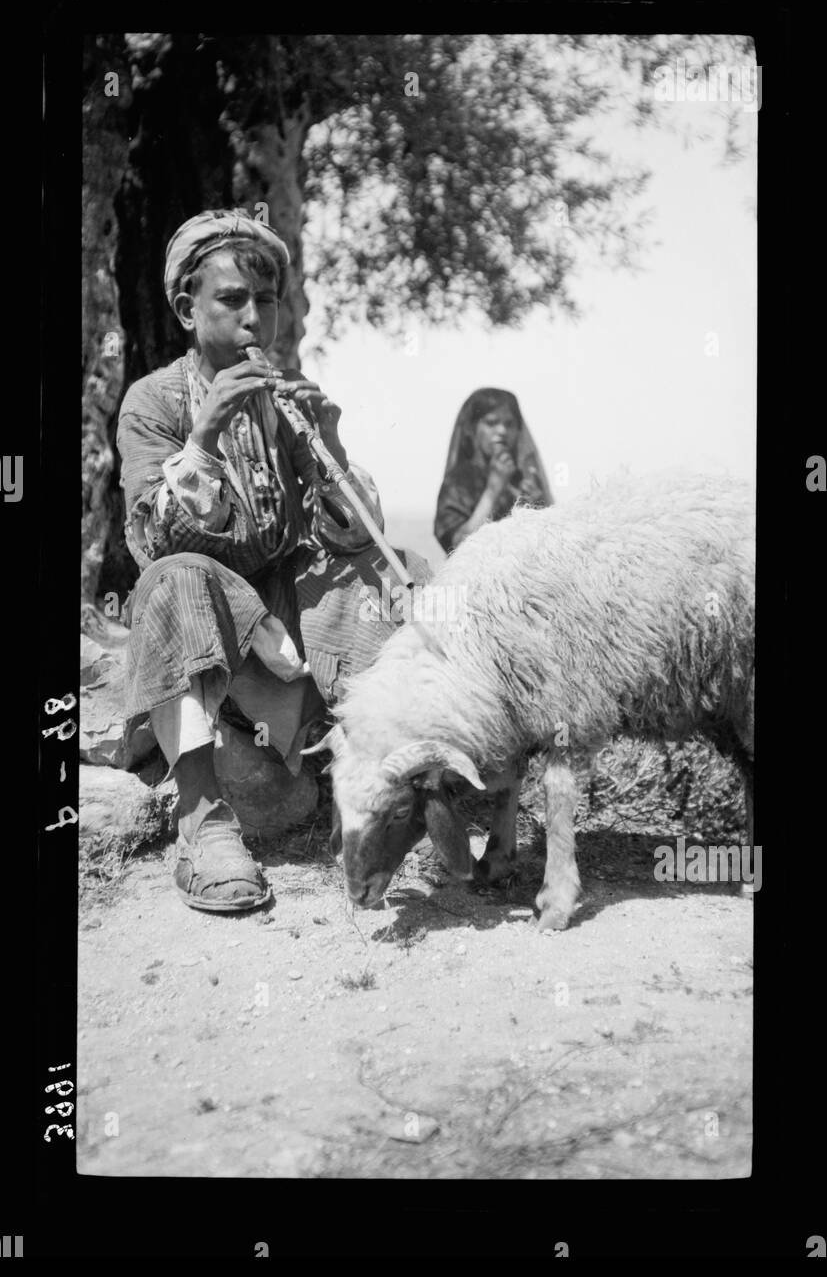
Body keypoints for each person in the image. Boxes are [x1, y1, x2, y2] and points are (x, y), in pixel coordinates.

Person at [117, 208, 427, 914]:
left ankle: (385, 791)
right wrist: (203, 435)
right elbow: (150, 543)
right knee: (175, 577)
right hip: (210, 634)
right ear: (186, 310)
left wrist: (329, 451)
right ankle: (203, 824)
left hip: (284, 628)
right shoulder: (153, 403)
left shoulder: (286, 400)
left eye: (268, 300)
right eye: (232, 300)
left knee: (386, 568)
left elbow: (349, 541)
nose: (255, 319)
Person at [434, 388, 553, 553]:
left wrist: (538, 505)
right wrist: (493, 491)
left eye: (509, 424)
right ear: (471, 428)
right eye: (491, 423)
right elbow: (459, 546)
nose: (502, 431)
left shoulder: (523, 480)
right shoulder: (458, 483)